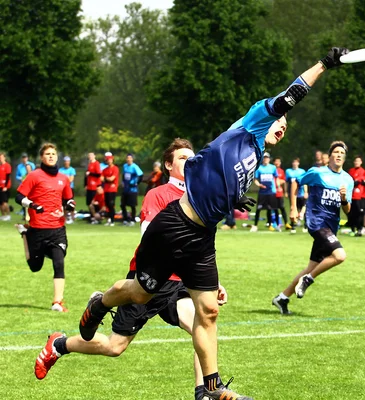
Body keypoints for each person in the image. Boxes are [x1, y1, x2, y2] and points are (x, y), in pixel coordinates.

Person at [77, 48, 348, 400]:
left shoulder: (253, 158)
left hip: (202, 237)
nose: (282, 126)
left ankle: (209, 390)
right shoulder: (251, 124)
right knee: (140, 292)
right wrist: (324, 65)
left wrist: (232, 197)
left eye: (285, 126)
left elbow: (217, 177)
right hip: (175, 225)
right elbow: (292, 94)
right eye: (279, 121)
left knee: (208, 311)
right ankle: (100, 304)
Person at [35, 139, 228, 400]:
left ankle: (204, 393)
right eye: (182, 158)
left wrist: (209, 284)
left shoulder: (200, 197)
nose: (190, 162)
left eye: (192, 158)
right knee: (115, 346)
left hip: (182, 280)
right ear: (168, 165)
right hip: (151, 279)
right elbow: (149, 238)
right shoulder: (157, 195)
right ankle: (60, 344)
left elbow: (202, 246)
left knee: (203, 325)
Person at [272, 141, 353, 315]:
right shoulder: (317, 172)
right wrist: (293, 207)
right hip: (316, 222)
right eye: (336, 152)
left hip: (331, 226)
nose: (339, 155)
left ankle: (282, 298)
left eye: (342, 153)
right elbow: (295, 183)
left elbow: (348, 210)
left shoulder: (348, 179)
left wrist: (344, 199)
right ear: (329, 156)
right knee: (340, 256)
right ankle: (308, 280)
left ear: (345, 158)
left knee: (312, 266)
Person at [14, 143, 75, 312]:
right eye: (47, 154)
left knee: (59, 262)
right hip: (37, 229)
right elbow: (19, 197)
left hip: (57, 229)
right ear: (41, 157)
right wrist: (32, 204)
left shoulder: (63, 178)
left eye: (53, 154)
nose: (51, 156)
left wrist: (70, 205)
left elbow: (69, 199)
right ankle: (25, 235)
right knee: (35, 267)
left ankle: (57, 302)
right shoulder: (34, 176)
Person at [251, 152, 278, 232]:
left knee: (270, 208)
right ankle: (255, 225)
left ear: (269, 159)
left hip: (271, 192)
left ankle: (270, 225)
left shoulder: (273, 167)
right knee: (258, 209)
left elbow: (276, 179)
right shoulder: (259, 168)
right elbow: (255, 180)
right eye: (264, 158)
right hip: (262, 192)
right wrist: (259, 185)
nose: (266, 159)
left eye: (267, 158)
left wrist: (278, 187)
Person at [285, 157, 307, 234]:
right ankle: (293, 226)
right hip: (293, 194)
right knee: (293, 209)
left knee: (304, 207)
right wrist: (286, 191)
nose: (295, 163)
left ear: (298, 163)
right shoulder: (288, 171)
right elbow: (287, 182)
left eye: (296, 162)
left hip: (301, 193)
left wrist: (306, 192)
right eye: (293, 162)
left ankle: (305, 226)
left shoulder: (302, 171)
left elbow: (305, 183)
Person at [121, 154, 144, 226]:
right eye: (127, 158)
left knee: (132, 205)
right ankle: (125, 219)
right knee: (122, 204)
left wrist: (136, 183)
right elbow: (123, 175)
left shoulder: (135, 166)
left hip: (132, 189)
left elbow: (141, 175)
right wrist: (123, 182)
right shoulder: (125, 166)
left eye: (130, 158)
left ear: (132, 159)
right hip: (126, 188)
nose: (128, 159)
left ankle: (132, 220)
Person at [347, 156, 365, 236]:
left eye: (358, 161)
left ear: (361, 162)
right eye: (355, 161)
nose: (357, 162)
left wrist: (353, 182)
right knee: (351, 213)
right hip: (351, 196)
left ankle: (360, 228)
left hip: (359, 196)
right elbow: (348, 181)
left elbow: (357, 182)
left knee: (359, 213)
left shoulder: (362, 171)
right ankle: (352, 229)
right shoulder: (351, 171)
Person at [101, 152, 119, 226]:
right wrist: (107, 179)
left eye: (110, 159)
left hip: (112, 190)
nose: (108, 161)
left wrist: (107, 179)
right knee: (107, 205)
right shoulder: (105, 169)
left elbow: (112, 178)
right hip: (106, 189)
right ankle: (108, 219)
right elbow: (101, 178)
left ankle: (112, 220)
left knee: (111, 204)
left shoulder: (115, 168)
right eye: (107, 160)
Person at [273, 157, 290, 229]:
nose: (277, 163)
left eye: (278, 162)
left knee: (282, 208)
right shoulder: (271, 170)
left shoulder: (281, 171)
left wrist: (285, 191)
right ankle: (277, 224)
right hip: (273, 192)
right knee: (275, 209)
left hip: (280, 192)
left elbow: (283, 181)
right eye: (276, 161)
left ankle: (286, 223)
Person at [59, 156, 76, 224]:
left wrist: (65, 180)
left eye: (68, 161)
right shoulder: (60, 170)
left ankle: (72, 217)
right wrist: (66, 179)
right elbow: (59, 179)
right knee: (63, 204)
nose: (66, 163)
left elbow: (71, 180)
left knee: (71, 203)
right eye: (65, 161)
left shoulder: (72, 170)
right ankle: (65, 218)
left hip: (70, 188)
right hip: (62, 189)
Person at [0, 152, 12, 221]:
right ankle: (3, 215)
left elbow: (8, 176)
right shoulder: (0, 166)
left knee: (4, 202)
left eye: (1, 157)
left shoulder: (7, 166)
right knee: (0, 202)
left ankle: (8, 215)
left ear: (4, 158)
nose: (0, 159)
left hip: (5, 187)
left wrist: (5, 186)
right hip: (0, 186)